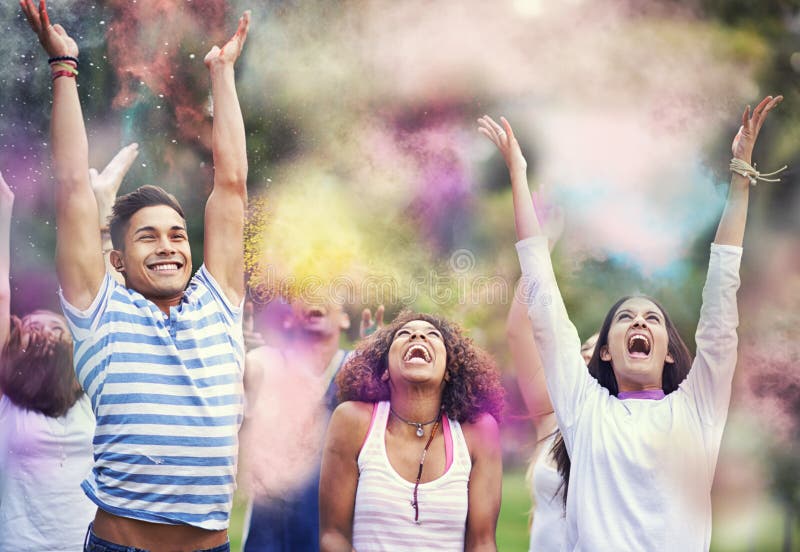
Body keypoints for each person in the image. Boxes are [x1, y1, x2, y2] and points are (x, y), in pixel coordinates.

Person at [479, 94, 783, 550]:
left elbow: (722, 294)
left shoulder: (697, 407)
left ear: (666, 350)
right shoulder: (584, 408)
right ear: (604, 348)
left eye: (651, 320)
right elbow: (541, 296)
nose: (639, 322)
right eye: (625, 318)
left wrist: (741, 178)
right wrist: (520, 176)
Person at [21, 0, 251, 549]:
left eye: (177, 235)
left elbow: (233, 185)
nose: (169, 246)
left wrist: (221, 74)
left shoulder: (217, 303)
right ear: (117, 260)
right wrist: (64, 68)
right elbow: (74, 189)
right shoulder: (102, 313)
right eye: (148, 237)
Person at [0, 143, 142, 551]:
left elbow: (104, 307)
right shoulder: (8, 400)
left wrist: (104, 213)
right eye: (31, 326)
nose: (43, 320)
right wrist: (5, 209)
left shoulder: (93, 393)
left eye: (54, 325)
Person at [319, 311, 504, 551]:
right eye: (404, 333)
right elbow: (333, 536)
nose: (417, 335)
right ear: (384, 369)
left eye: (433, 335)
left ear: (449, 369)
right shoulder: (352, 421)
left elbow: (482, 543)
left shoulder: (479, 431)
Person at [241, 297, 353, 552]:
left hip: (327, 533)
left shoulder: (358, 372)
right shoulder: (263, 363)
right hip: (265, 534)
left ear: (345, 318)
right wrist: (234, 344)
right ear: (289, 317)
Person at [507, 282, 598, 552]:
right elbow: (518, 329)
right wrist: (537, 249)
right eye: (584, 351)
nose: (588, 357)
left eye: (599, 354)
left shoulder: (627, 428)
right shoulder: (552, 418)